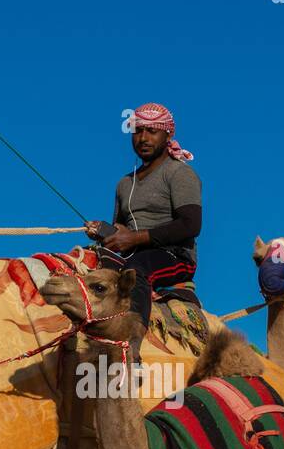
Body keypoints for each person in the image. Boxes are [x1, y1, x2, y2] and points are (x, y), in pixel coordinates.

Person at [85, 103, 202, 323]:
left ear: (169, 134)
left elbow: (191, 225)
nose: (143, 138)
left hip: (174, 256)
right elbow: (120, 236)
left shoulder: (179, 173)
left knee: (136, 270)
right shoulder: (124, 184)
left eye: (152, 131)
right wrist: (103, 233)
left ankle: (132, 341)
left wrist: (135, 238)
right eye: (138, 131)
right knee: (82, 262)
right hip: (134, 256)